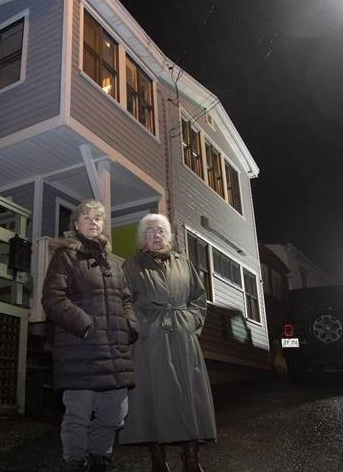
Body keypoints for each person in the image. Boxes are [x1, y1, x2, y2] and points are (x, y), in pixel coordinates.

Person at [41, 199, 139, 472]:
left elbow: (127, 299)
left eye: (98, 218)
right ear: (76, 224)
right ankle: (75, 461)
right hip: (80, 350)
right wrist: (85, 325)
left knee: (115, 414)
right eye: (87, 217)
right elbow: (52, 298)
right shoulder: (66, 257)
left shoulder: (113, 264)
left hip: (115, 352)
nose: (93, 222)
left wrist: (130, 324)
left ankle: (99, 456)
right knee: (78, 415)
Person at [119, 213, 215, 472]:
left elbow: (198, 297)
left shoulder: (184, 263)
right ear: (143, 237)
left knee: (190, 396)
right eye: (150, 231)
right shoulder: (131, 266)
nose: (156, 235)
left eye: (161, 230)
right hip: (150, 340)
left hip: (183, 337)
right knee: (152, 396)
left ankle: (191, 458)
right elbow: (123, 301)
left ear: (168, 235)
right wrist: (141, 324)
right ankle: (158, 459)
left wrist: (192, 323)